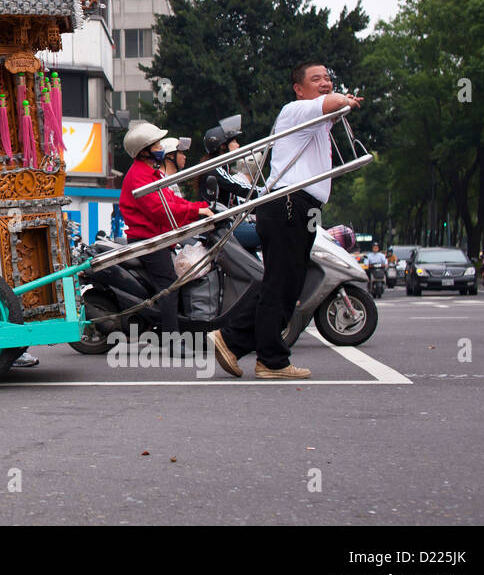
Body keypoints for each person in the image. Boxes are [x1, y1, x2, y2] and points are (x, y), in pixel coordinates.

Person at [211, 62, 362, 380]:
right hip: (289, 204)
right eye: (316, 79)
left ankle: (234, 341)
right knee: (281, 283)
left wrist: (341, 104)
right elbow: (333, 104)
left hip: (300, 207)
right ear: (299, 88)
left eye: (327, 78)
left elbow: (332, 111)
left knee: (286, 282)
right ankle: (269, 359)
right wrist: (343, 99)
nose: (325, 83)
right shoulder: (297, 110)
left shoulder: (315, 121)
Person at [119, 122, 213, 349]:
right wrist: (195, 211)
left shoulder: (151, 173)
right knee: (169, 285)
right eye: (158, 144)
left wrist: (202, 207)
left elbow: (173, 201)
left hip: (158, 237)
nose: (161, 147)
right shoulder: (139, 176)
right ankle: (172, 341)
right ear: (144, 150)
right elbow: (160, 210)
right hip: (148, 241)